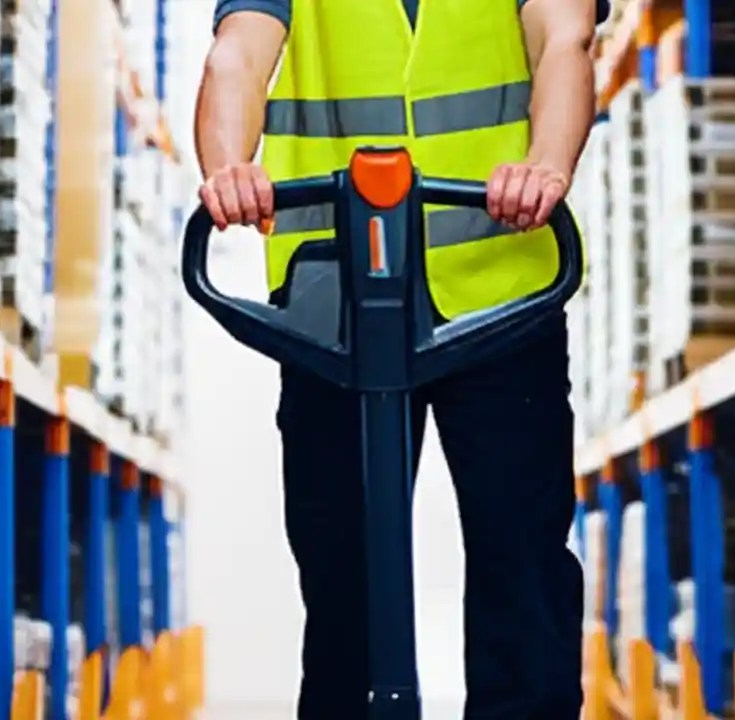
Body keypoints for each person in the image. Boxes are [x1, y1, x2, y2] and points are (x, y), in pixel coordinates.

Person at [196, 0, 602, 716]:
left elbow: (565, 38)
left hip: (501, 289)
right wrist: (229, 167)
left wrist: (546, 166)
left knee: (523, 562)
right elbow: (238, 54)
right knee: (341, 566)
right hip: (338, 296)